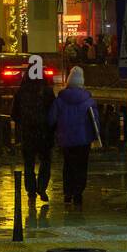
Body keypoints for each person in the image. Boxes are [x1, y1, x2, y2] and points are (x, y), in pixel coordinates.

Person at [48, 66, 101, 206]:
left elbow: (51, 118)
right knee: (82, 165)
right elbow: (94, 120)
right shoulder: (88, 100)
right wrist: (96, 136)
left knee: (68, 165)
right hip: (84, 139)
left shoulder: (60, 99)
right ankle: (78, 192)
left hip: (66, 139)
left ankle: (68, 193)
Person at [11, 68, 55, 202]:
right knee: (45, 161)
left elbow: (14, 114)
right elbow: (53, 112)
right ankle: (42, 187)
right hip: (44, 132)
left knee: (29, 163)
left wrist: (23, 123)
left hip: (28, 133)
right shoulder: (47, 91)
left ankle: (31, 191)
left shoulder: (21, 92)